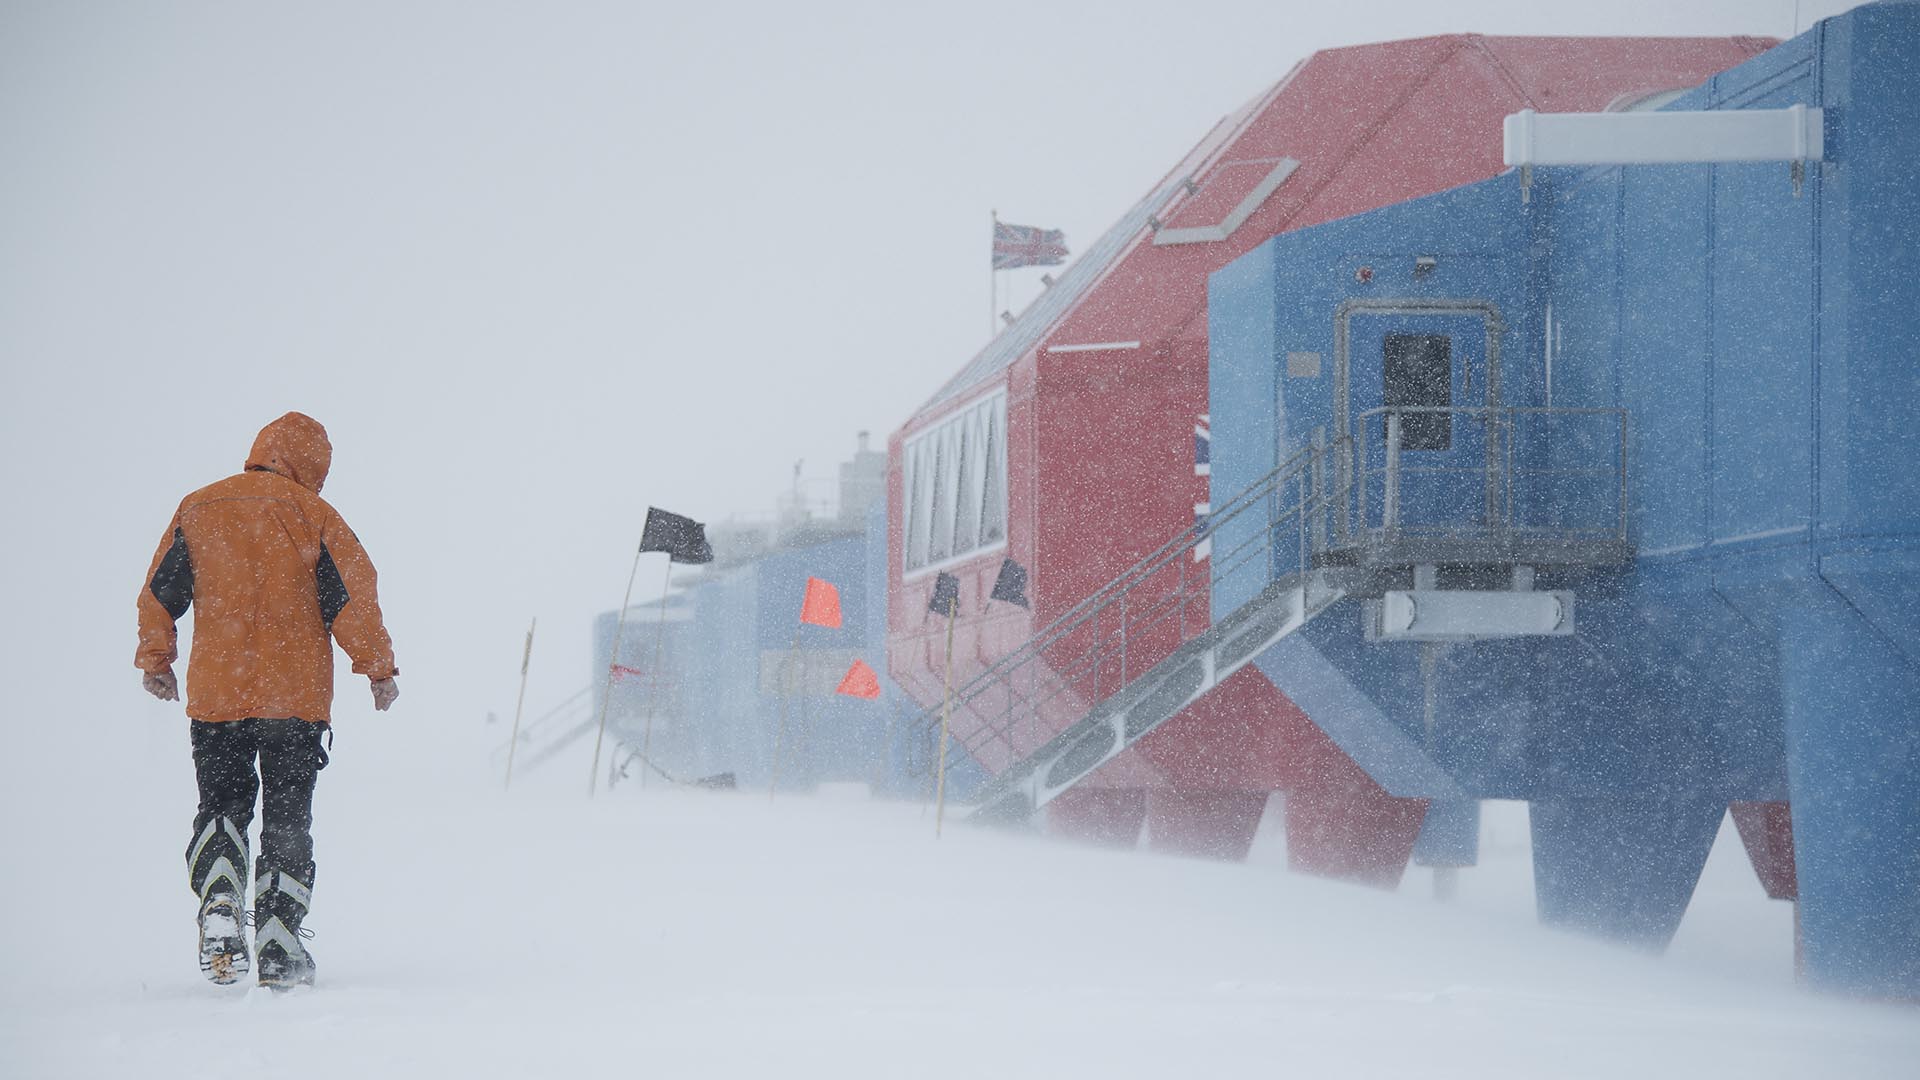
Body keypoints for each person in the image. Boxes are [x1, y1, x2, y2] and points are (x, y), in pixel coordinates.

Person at [136, 412, 399, 989]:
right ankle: (279, 940)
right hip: (294, 700)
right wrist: (378, 668)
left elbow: (160, 591)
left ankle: (221, 895)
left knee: (222, 803)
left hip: (218, 696)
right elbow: (352, 600)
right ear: (314, 465)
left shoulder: (199, 507)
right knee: (286, 816)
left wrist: (157, 658)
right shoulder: (316, 516)